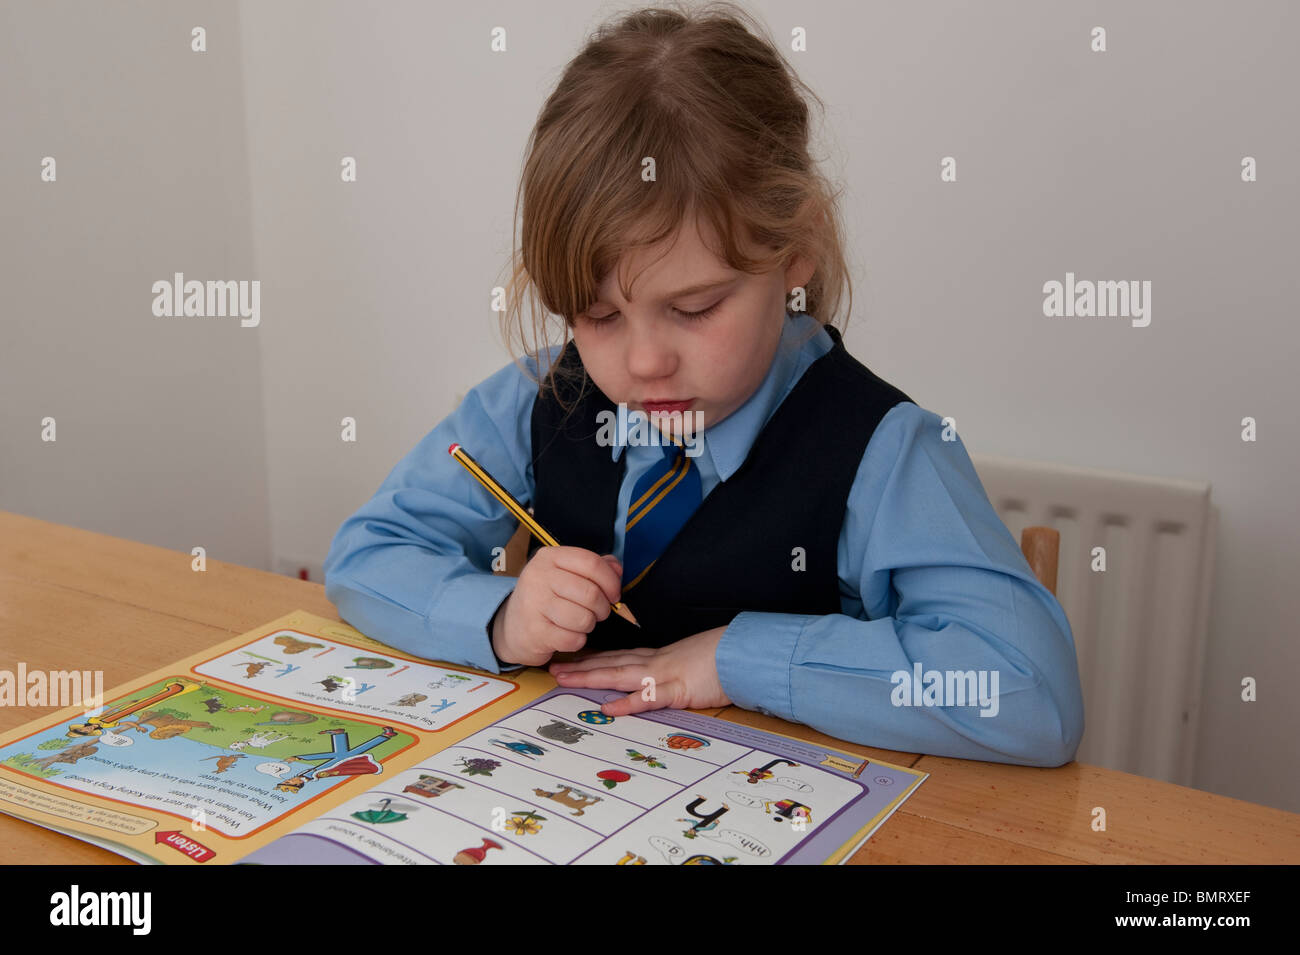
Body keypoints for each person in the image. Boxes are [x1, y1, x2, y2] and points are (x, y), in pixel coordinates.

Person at [323, 2, 1084, 767]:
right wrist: (497, 615)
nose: (645, 362)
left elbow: (1029, 693)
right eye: (599, 315)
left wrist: (738, 659)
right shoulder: (534, 398)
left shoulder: (883, 453)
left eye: (694, 308)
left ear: (795, 251)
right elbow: (365, 553)